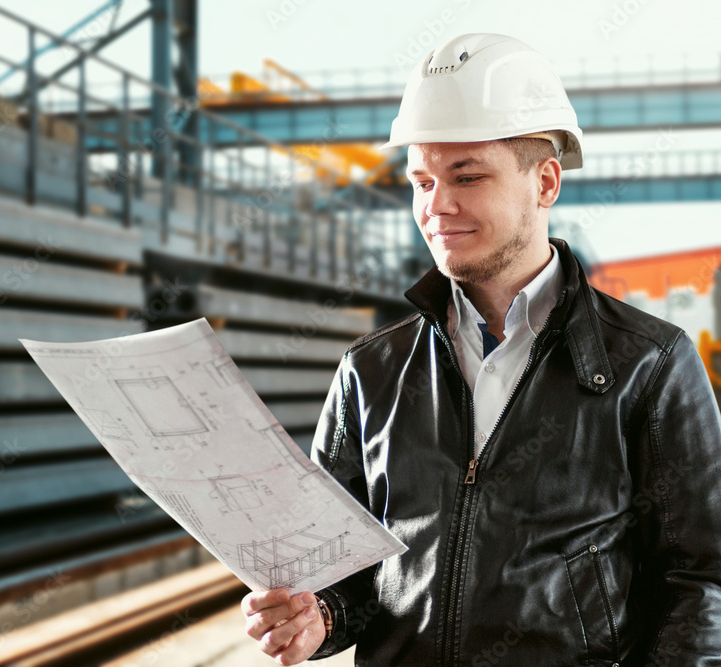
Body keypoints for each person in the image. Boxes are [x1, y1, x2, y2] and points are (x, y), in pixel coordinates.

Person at [241, 33, 721, 665]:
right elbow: (346, 572)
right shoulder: (371, 372)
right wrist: (320, 613)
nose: (436, 206)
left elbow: (703, 581)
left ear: (545, 182)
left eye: (466, 176)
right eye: (421, 181)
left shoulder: (649, 366)